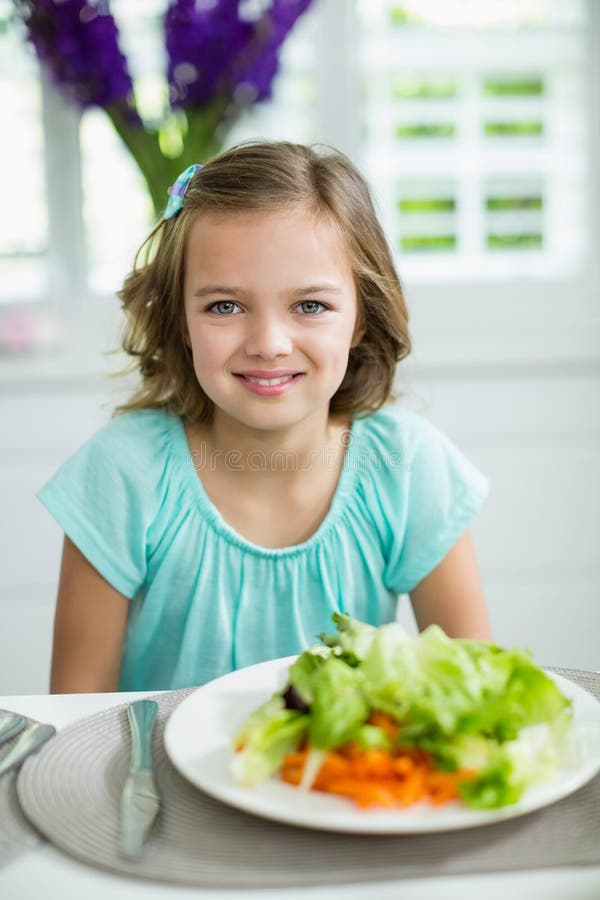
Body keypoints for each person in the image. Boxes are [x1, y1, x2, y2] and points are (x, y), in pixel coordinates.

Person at [39, 140, 492, 694]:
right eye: (224, 306)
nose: (269, 344)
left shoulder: (409, 468)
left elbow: (473, 694)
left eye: (310, 306)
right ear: (182, 320)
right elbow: (74, 719)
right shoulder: (122, 472)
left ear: (358, 322)